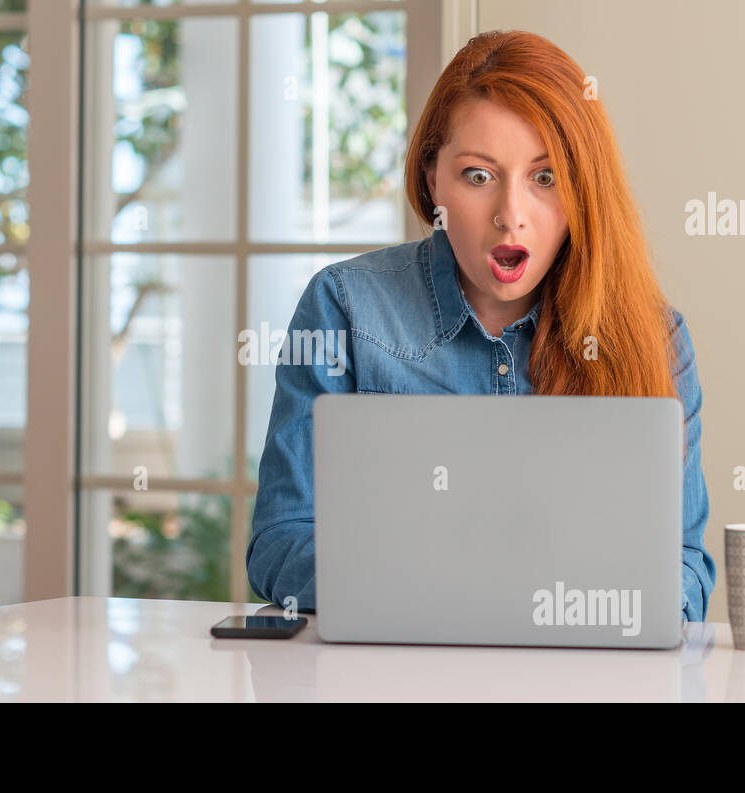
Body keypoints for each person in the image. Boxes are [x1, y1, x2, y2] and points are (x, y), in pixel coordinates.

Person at [247, 29, 716, 622]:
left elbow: (687, 572)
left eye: (545, 179)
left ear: (582, 191)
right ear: (431, 178)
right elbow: (281, 544)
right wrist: (462, 591)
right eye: (477, 176)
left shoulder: (658, 339)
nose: (509, 216)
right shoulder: (343, 308)